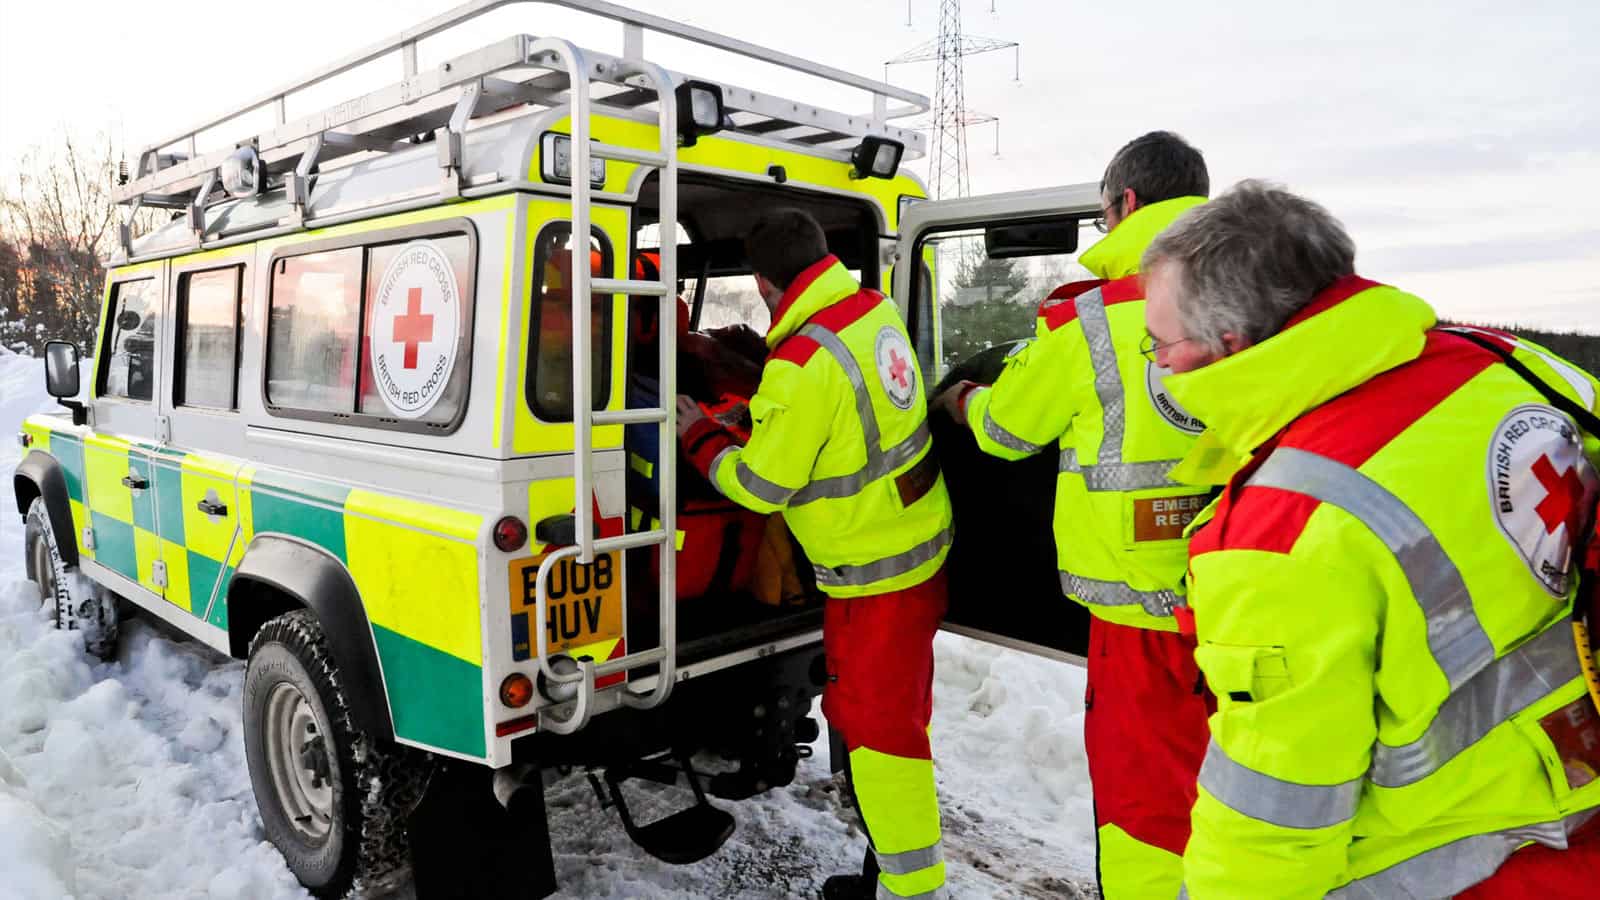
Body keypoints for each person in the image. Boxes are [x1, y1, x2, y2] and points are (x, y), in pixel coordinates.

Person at [1141, 180, 1600, 898]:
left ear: (1229, 346)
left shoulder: (1280, 533)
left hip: (1454, 861)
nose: (1160, 364)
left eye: (1161, 342)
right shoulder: (1521, 367)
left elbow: (1272, 822)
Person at [934, 130, 1214, 899]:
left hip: (1143, 628)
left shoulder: (1090, 320)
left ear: (1124, 203)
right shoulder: (1275, 297)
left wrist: (962, 400)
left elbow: (1006, 430)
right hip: (1260, 600)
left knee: (1144, 815)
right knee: (1252, 805)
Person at [675, 209, 954, 900]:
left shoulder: (800, 364)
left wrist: (700, 437)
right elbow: (845, 420)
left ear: (766, 286)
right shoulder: (873, 311)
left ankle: (909, 890)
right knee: (883, 722)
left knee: (883, 736)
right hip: (913, 552)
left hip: (873, 577)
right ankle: (890, 869)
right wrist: (755, 416)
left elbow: (761, 486)